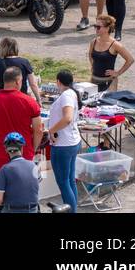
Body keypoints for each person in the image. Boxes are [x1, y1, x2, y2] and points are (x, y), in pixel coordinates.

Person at [0, 66, 43, 172]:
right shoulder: (30, 102)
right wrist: (32, 150)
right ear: (18, 81)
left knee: (2, 187)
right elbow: (38, 130)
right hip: (24, 156)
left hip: (0, 157)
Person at [47, 69, 81, 213]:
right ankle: (73, 209)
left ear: (58, 82)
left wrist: (51, 130)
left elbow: (67, 118)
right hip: (71, 142)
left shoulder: (67, 95)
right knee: (70, 180)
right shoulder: (71, 93)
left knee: (63, 182)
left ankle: (70, 210)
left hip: (63, 145)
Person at [0, 132, 41, 213]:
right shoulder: (34, 166)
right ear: (22, 148)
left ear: (6, 150)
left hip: (12, 210)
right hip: (32, 209)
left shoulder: (5, 169)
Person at [88, 14, 134, 91]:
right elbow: (90, 55)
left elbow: (130, 60)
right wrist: (93, 65)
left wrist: (118, 73)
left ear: (107, 28)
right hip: (94, 80)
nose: (96, 29)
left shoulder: (115, 45)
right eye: (95, 26)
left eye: (98, 27)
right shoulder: (94, 42)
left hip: (109, 83)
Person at [0, 36, 43, 103]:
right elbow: (33, 84)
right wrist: (38, 99)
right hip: (21, 98)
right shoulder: (24, 62)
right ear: (16, 48)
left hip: (2, 99)